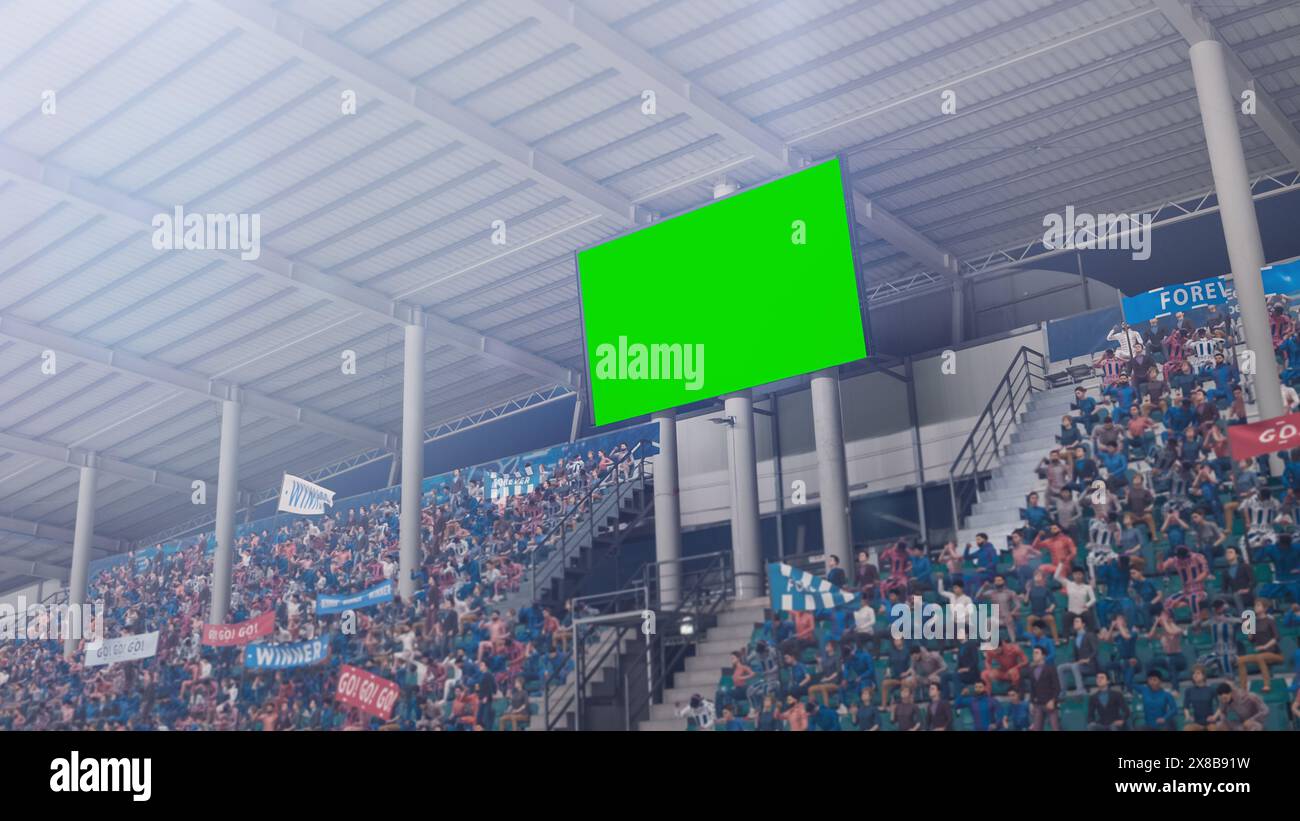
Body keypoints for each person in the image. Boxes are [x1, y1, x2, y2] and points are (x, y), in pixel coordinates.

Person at [1237, 599, 1285, 692]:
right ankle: (1243, 688)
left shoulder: (1270, 621)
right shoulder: (1254, 622)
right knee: (1240, 660)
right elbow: (1252, 640)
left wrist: (1265, 647)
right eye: (1255, 605)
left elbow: (1276, 637)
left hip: (1274, 653)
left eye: (1258, 605)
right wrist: (1249, 631)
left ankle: (1267, 684)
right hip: (1260, 654)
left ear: (1265, 608)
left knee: (1260, 657)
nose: (1256, 607)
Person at [1028, 645, 1061, 731]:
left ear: (1043, 655)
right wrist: (1031, 702)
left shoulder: (1051, 668)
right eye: (1033, 653)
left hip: (1050, 703)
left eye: (1037, 653)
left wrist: (1053, 700)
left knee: (1055, 728)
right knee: (1037, 728)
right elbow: (1032, 688)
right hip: (1038, 703)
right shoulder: (1032, 670)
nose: (1034, 655)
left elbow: (1057, 687)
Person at [1182, 666, 1218, 731]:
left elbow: (1220, 704)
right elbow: (1185, 706)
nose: (1195, 675)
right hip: (1197, 722)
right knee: (1187, 729)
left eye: (1198, 673)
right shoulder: (1189, 690)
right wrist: (1188, 716)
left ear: (1203, 676)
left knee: (1214, 728)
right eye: (1193, 673)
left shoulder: (1211, 689)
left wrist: (1215, 716)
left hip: (1210, 722)